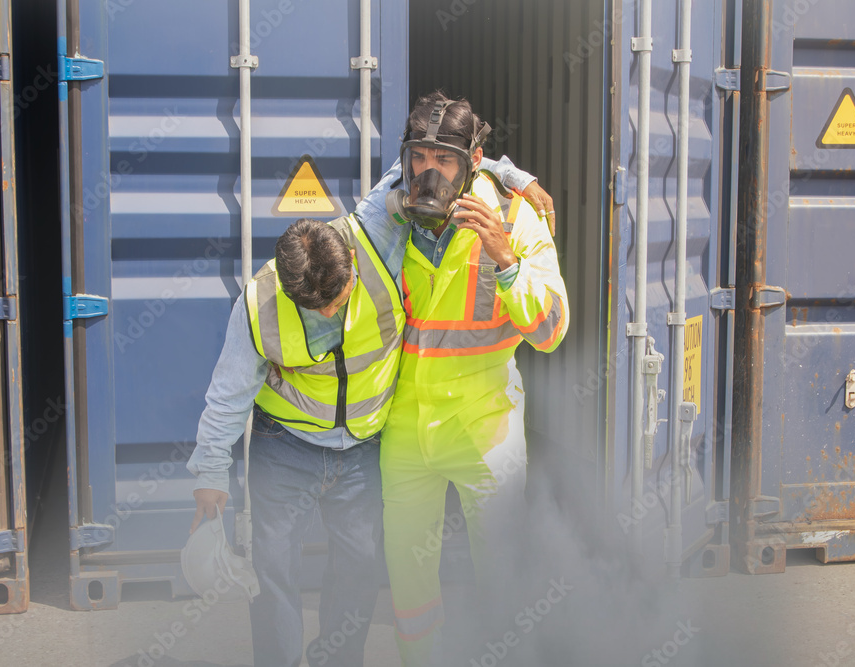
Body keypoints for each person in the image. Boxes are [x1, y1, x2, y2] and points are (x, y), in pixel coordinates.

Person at [187, 148, 551, 666]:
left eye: (340, 298)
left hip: (360, 451)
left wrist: (517, 175)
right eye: (320, 310)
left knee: (357, 574)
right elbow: (227, 394)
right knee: (272, 573)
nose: (333, 314)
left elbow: (444, 155)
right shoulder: (260, 302)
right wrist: (210, 473)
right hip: (284, 446)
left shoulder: (375, 230)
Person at [376, 92, 570, 665]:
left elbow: (552, 330)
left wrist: (506, 260)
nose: (428, 172)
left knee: (504, 578)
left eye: (446, 159)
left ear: (474, 159)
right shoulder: (387, 217)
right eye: (419, 157)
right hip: (406, 432)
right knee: (408, 590)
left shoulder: (514, 217)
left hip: (487, 429)